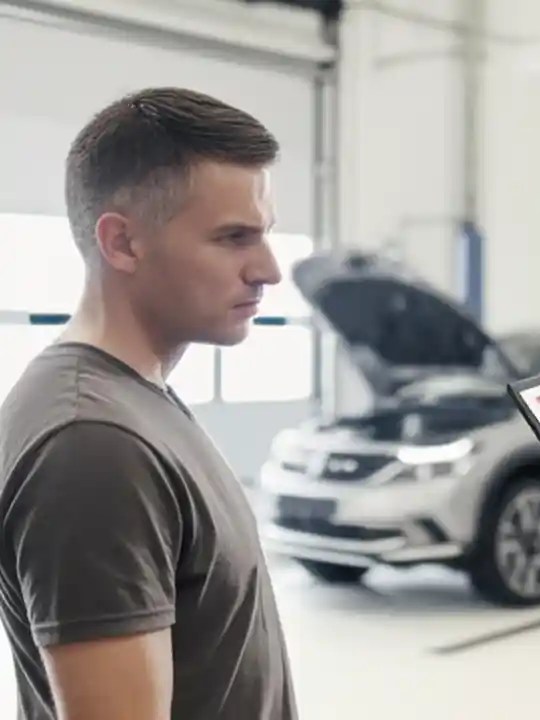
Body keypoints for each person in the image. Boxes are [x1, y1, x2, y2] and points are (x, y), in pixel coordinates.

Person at [0, 88, 295, 719]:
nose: (269, 270)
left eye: (264, 235)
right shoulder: (92, 445)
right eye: (233, 238)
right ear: (123, 243)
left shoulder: (136, 400)